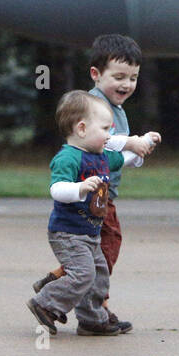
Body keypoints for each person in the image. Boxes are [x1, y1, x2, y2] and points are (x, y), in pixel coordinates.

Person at [33, 35, 160, 333]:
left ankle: (79, 298)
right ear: (96, 74)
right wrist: (131, 141)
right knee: (105, 249)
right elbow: (106, 142)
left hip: (102, 198)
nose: (126, 84)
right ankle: (76, 296)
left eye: (133, 78)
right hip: (91, 200)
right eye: (119, 77)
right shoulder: (93, 105)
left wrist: (138, 152)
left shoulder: (116, 107)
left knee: (101, 253)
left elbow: (114, 157)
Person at [28, 90, 133, 337]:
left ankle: (91, 320)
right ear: (82, 129)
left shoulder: (100, 155)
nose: (109, 136)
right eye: (105, 129)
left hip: (90, 233)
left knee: (98, 275)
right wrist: (79, 188)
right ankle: (45, 303)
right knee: (84, 274)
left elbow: (123, 158)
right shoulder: (67, 157)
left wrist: (142, 145)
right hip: (67, 233)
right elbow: (56, 189)